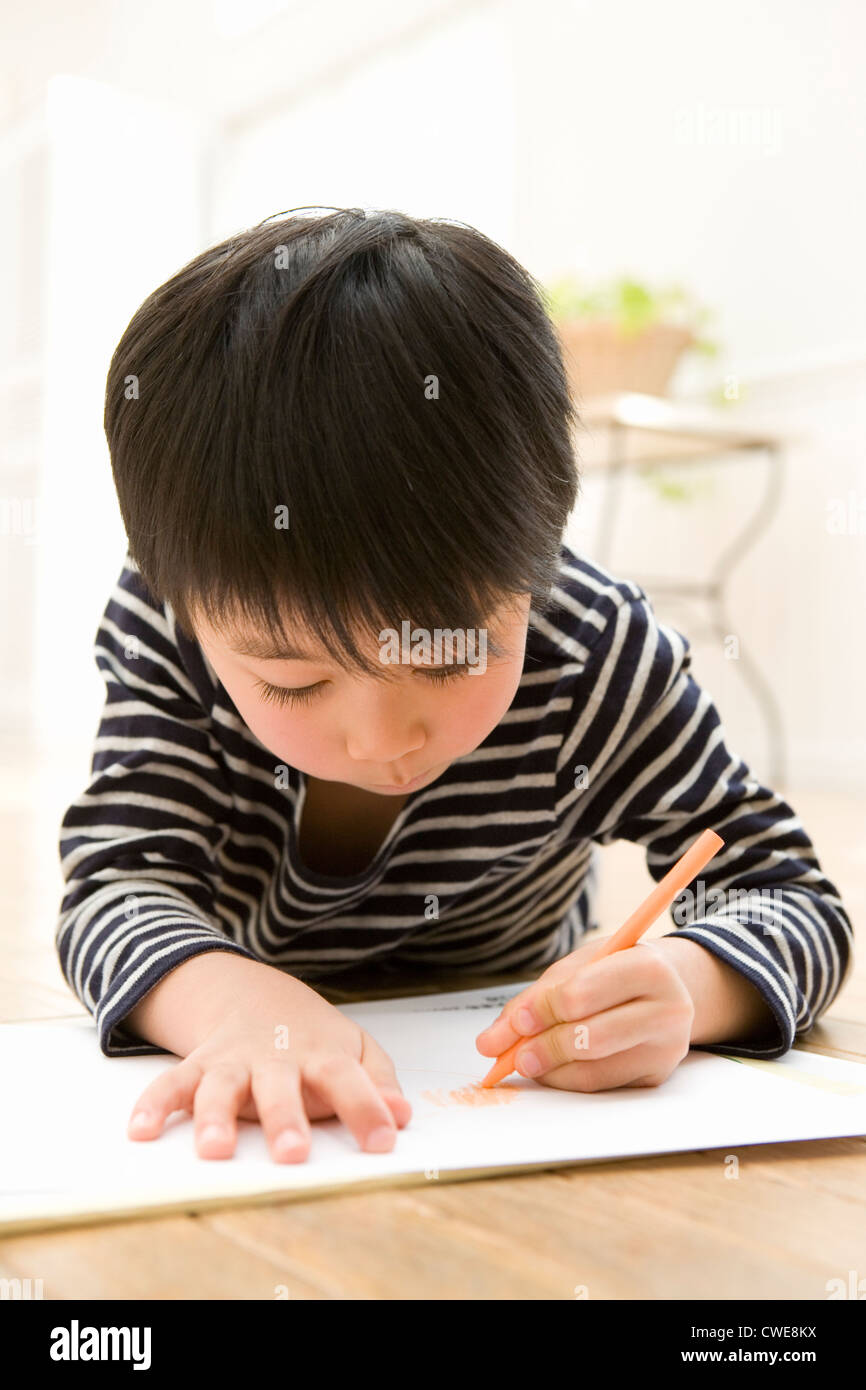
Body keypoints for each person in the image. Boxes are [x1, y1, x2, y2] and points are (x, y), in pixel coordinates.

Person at [56, 208, 853, 1165]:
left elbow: (786, 894)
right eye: (294, 682)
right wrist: (234, 1007)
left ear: (538, 557)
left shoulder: (592, 652)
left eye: (445, 657)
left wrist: (689, 983)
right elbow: (117, 887)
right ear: (185, 606)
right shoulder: (170, 629)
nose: (382, 739)